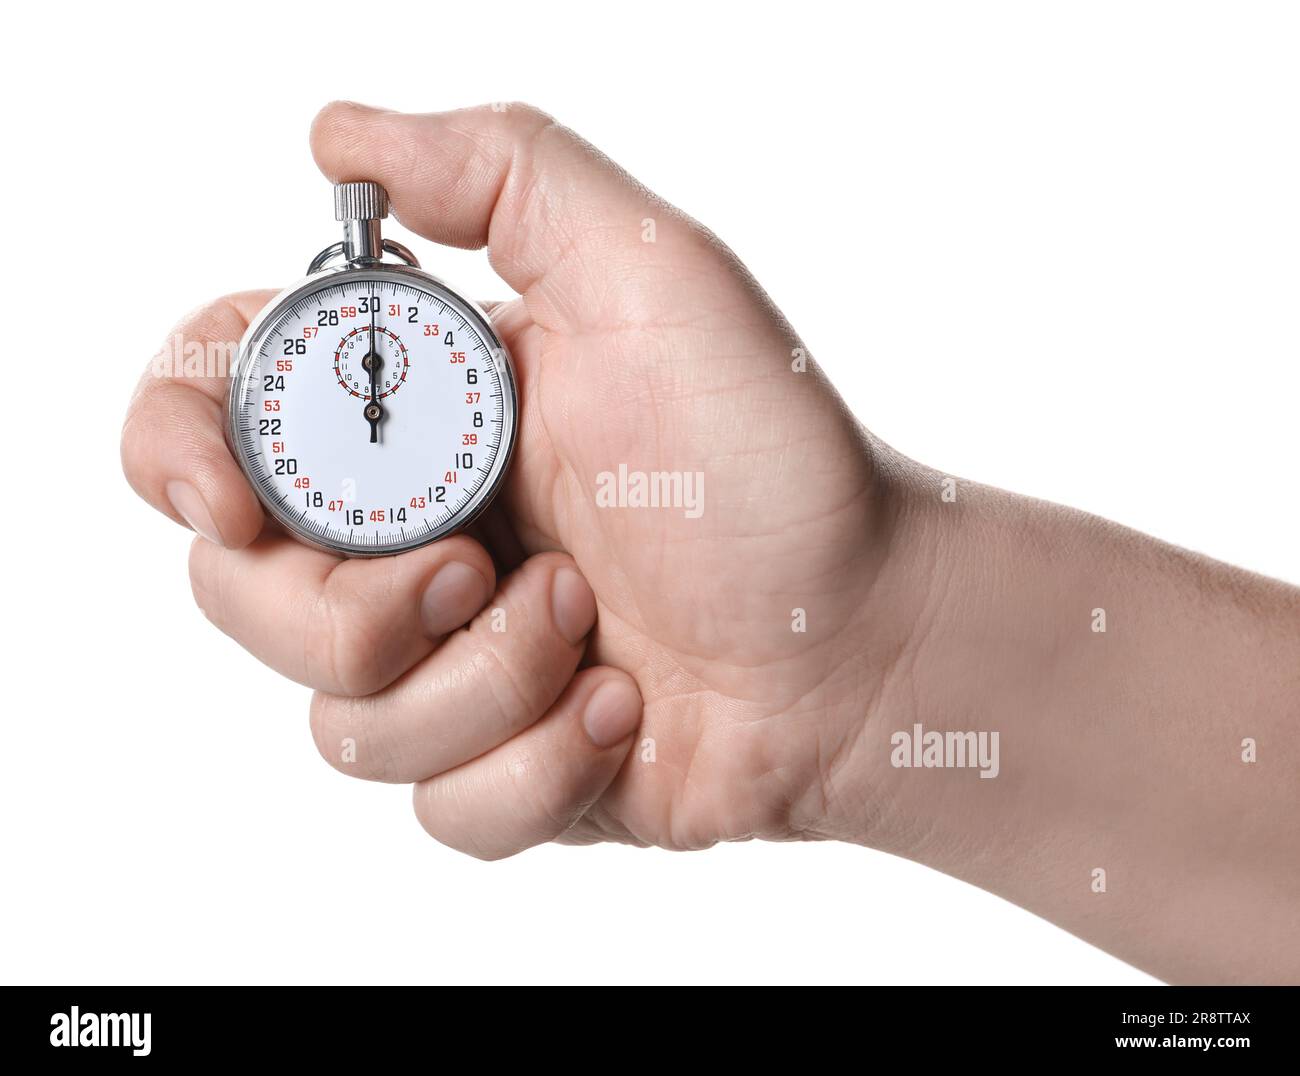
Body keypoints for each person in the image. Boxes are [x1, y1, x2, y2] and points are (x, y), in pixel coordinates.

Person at [121, 102, 1300, 985]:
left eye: (393, 386)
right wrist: (870, 649)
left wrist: (875, 645)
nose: (378, 401)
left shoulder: (428, 356)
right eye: (357, 394)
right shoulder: (361, 365)